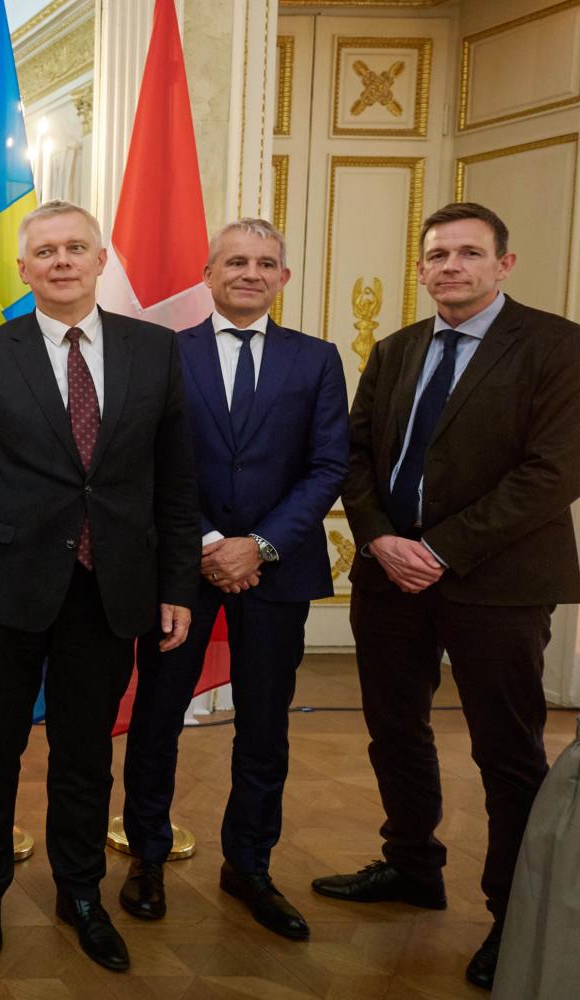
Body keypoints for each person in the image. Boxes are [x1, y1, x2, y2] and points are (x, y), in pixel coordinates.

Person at [314, 202, 580, 991]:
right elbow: (354, 455)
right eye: (437, 255)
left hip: (496, 583)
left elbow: (554, 472)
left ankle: (511, 912)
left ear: (505, 264)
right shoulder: (396, 350)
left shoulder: (558, 346)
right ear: (421, 268)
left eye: (469, 253)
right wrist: (379, 537)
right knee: (394, 729)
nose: (451, 267)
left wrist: (441, 549)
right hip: (390, 577)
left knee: (507, 751)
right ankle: (411, 864)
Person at [0, 200, 199, 972]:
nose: (60, 260)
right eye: (44, 250)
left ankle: (79, 890)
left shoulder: (156, 351)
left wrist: (177, 582)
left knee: (85, 755)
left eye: (75, 247)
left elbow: (176, 481)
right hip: (5, 592)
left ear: (101, 258)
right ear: (23, 269)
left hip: (111, 589)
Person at [115, 220, 346, 942]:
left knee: (265, 726)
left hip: (276, 572)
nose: (250, 273)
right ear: (208, 274)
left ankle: (249, 864)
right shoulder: (161, 353)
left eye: (266, 263)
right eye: (236, 261)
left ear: (283, 278)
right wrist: (212, 541)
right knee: (157, 718)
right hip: (182, 567)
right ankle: (146, 855)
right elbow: (144, 460)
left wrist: (261, 544)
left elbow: (328, 465)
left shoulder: (317, 360)